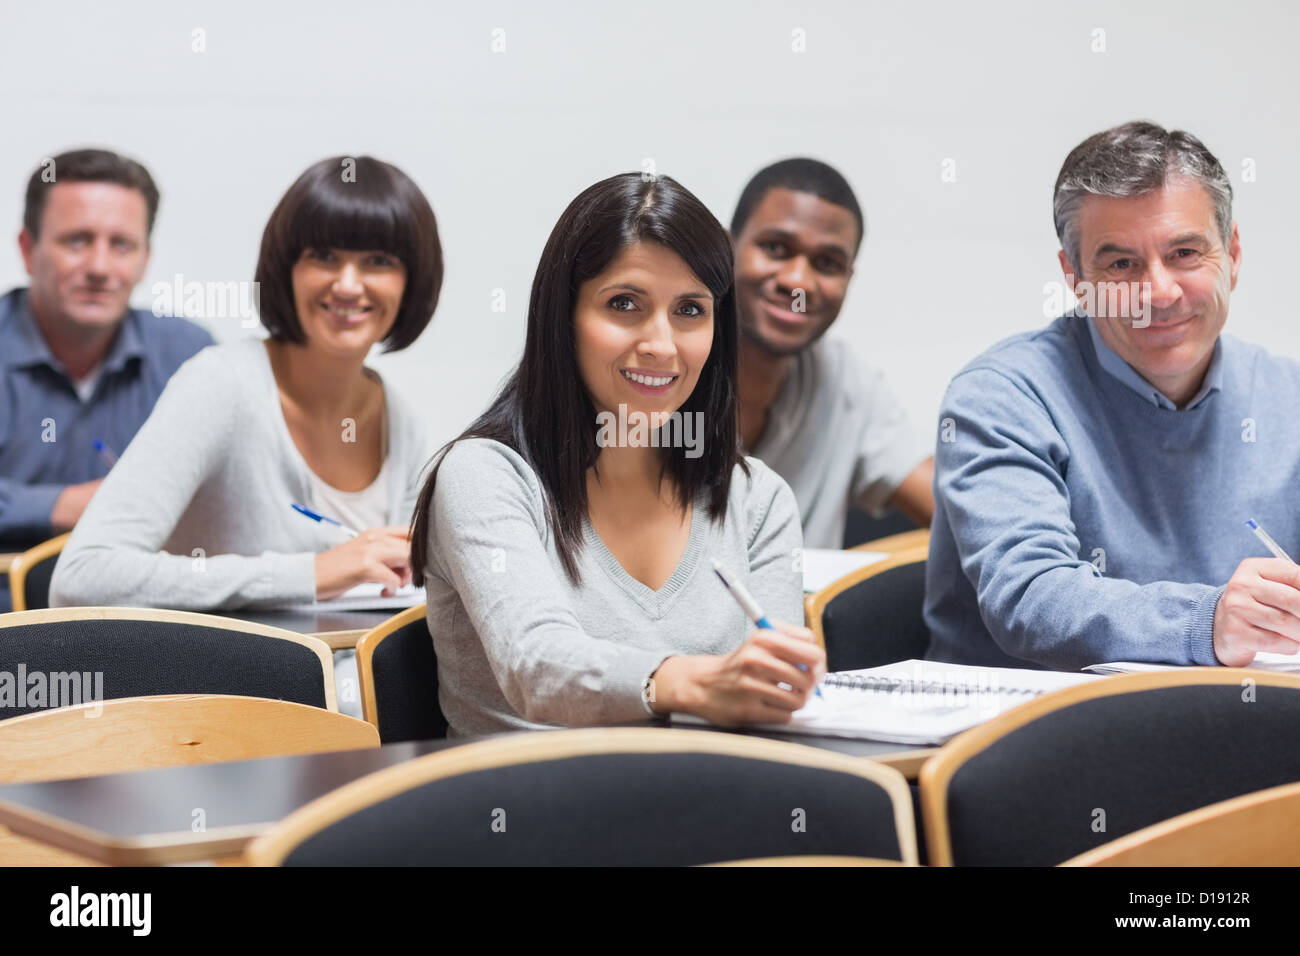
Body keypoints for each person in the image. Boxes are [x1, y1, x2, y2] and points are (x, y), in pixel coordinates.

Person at [411, 172, 825, 737]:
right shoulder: (485, 475)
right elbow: (539, 668)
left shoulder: (759, 498)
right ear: (564, 318)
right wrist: (691, 684)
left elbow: (771, 701)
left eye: (690, 310)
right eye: (624, 304)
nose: (660, 344)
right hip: (528, 811)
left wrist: (781, 683)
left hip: (707, 802)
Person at [926, 120, 1300, 671]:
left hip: (1245, 724)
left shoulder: (1287, 395)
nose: (1159, 292)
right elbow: (1031, 598)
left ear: (1234, 254)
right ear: (1075, 277)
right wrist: (1208, 621)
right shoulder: (1002, 396)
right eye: (1121, 263)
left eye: (1185, 253)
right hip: (1035, 739)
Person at [50, 154, 440, 617]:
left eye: (378, 261)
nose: (348, 285)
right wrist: (309, 574)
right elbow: (83, 577)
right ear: (286, 269)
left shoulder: (402, 419)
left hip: (356, 687)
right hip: (230, 688)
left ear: (411, 281)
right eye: (324, 256)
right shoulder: (222, 385)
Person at [0, 148, 213, 610]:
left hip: (145, 627)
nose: (99, 267)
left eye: (121, 245)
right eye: (77, 241)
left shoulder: (188, 354)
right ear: (27, 249)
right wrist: (63, 505)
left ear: (144, 259)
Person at [729, 158, 934, 549]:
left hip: (802, 612)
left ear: (849, 279)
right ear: (725, 247)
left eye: (826, 264)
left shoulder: (841, 378)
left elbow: (959, 510)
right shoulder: (662, 368)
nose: (798, 282)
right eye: (775, 248)